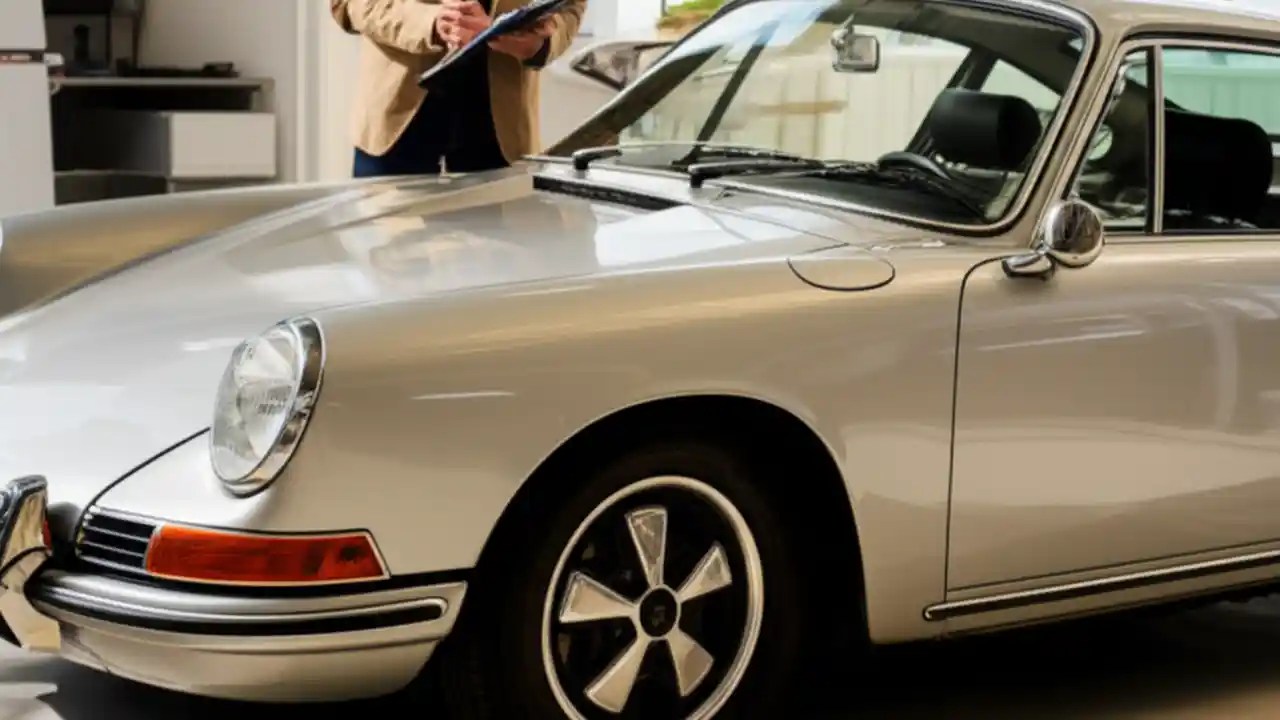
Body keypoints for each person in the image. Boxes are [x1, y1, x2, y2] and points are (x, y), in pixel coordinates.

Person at [330, 0, 586, 178]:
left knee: (504, 256)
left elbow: (571, 6)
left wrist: (541, 45)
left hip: (502, 137)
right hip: (395, 128)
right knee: (389, 254)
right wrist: (429, 23)